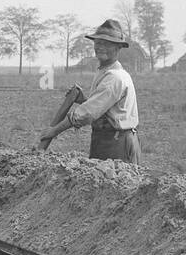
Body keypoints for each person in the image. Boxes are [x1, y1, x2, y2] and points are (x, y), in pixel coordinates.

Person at [37, 19, 140, 162]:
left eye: (107, 43)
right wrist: (83, 100)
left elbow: (86, 114)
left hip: (117, 143)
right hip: (106, 139)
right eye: (98, 43)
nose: (100, 47)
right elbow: (101, 109)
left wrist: (53, 131)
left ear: (118, 48)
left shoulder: (115, 78)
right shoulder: (104, 71)